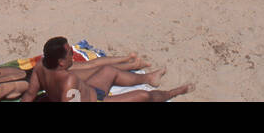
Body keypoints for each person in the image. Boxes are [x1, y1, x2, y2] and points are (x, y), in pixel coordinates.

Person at [22, 37, 191, 103]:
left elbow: (29, 96)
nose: (73, 55)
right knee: (143, 96)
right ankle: (173, 93)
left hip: (91, 92)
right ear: (60, 62)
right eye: (70, 53)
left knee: (108, 71)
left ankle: (148, 78)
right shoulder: (69, 80)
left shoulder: (39, 67)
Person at [0, 52, 151, 102]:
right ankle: (130, 60)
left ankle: (133, 64)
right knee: (90, 66)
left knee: (93, 71)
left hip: (46, 79)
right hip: (38, 71)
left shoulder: (1, 89)